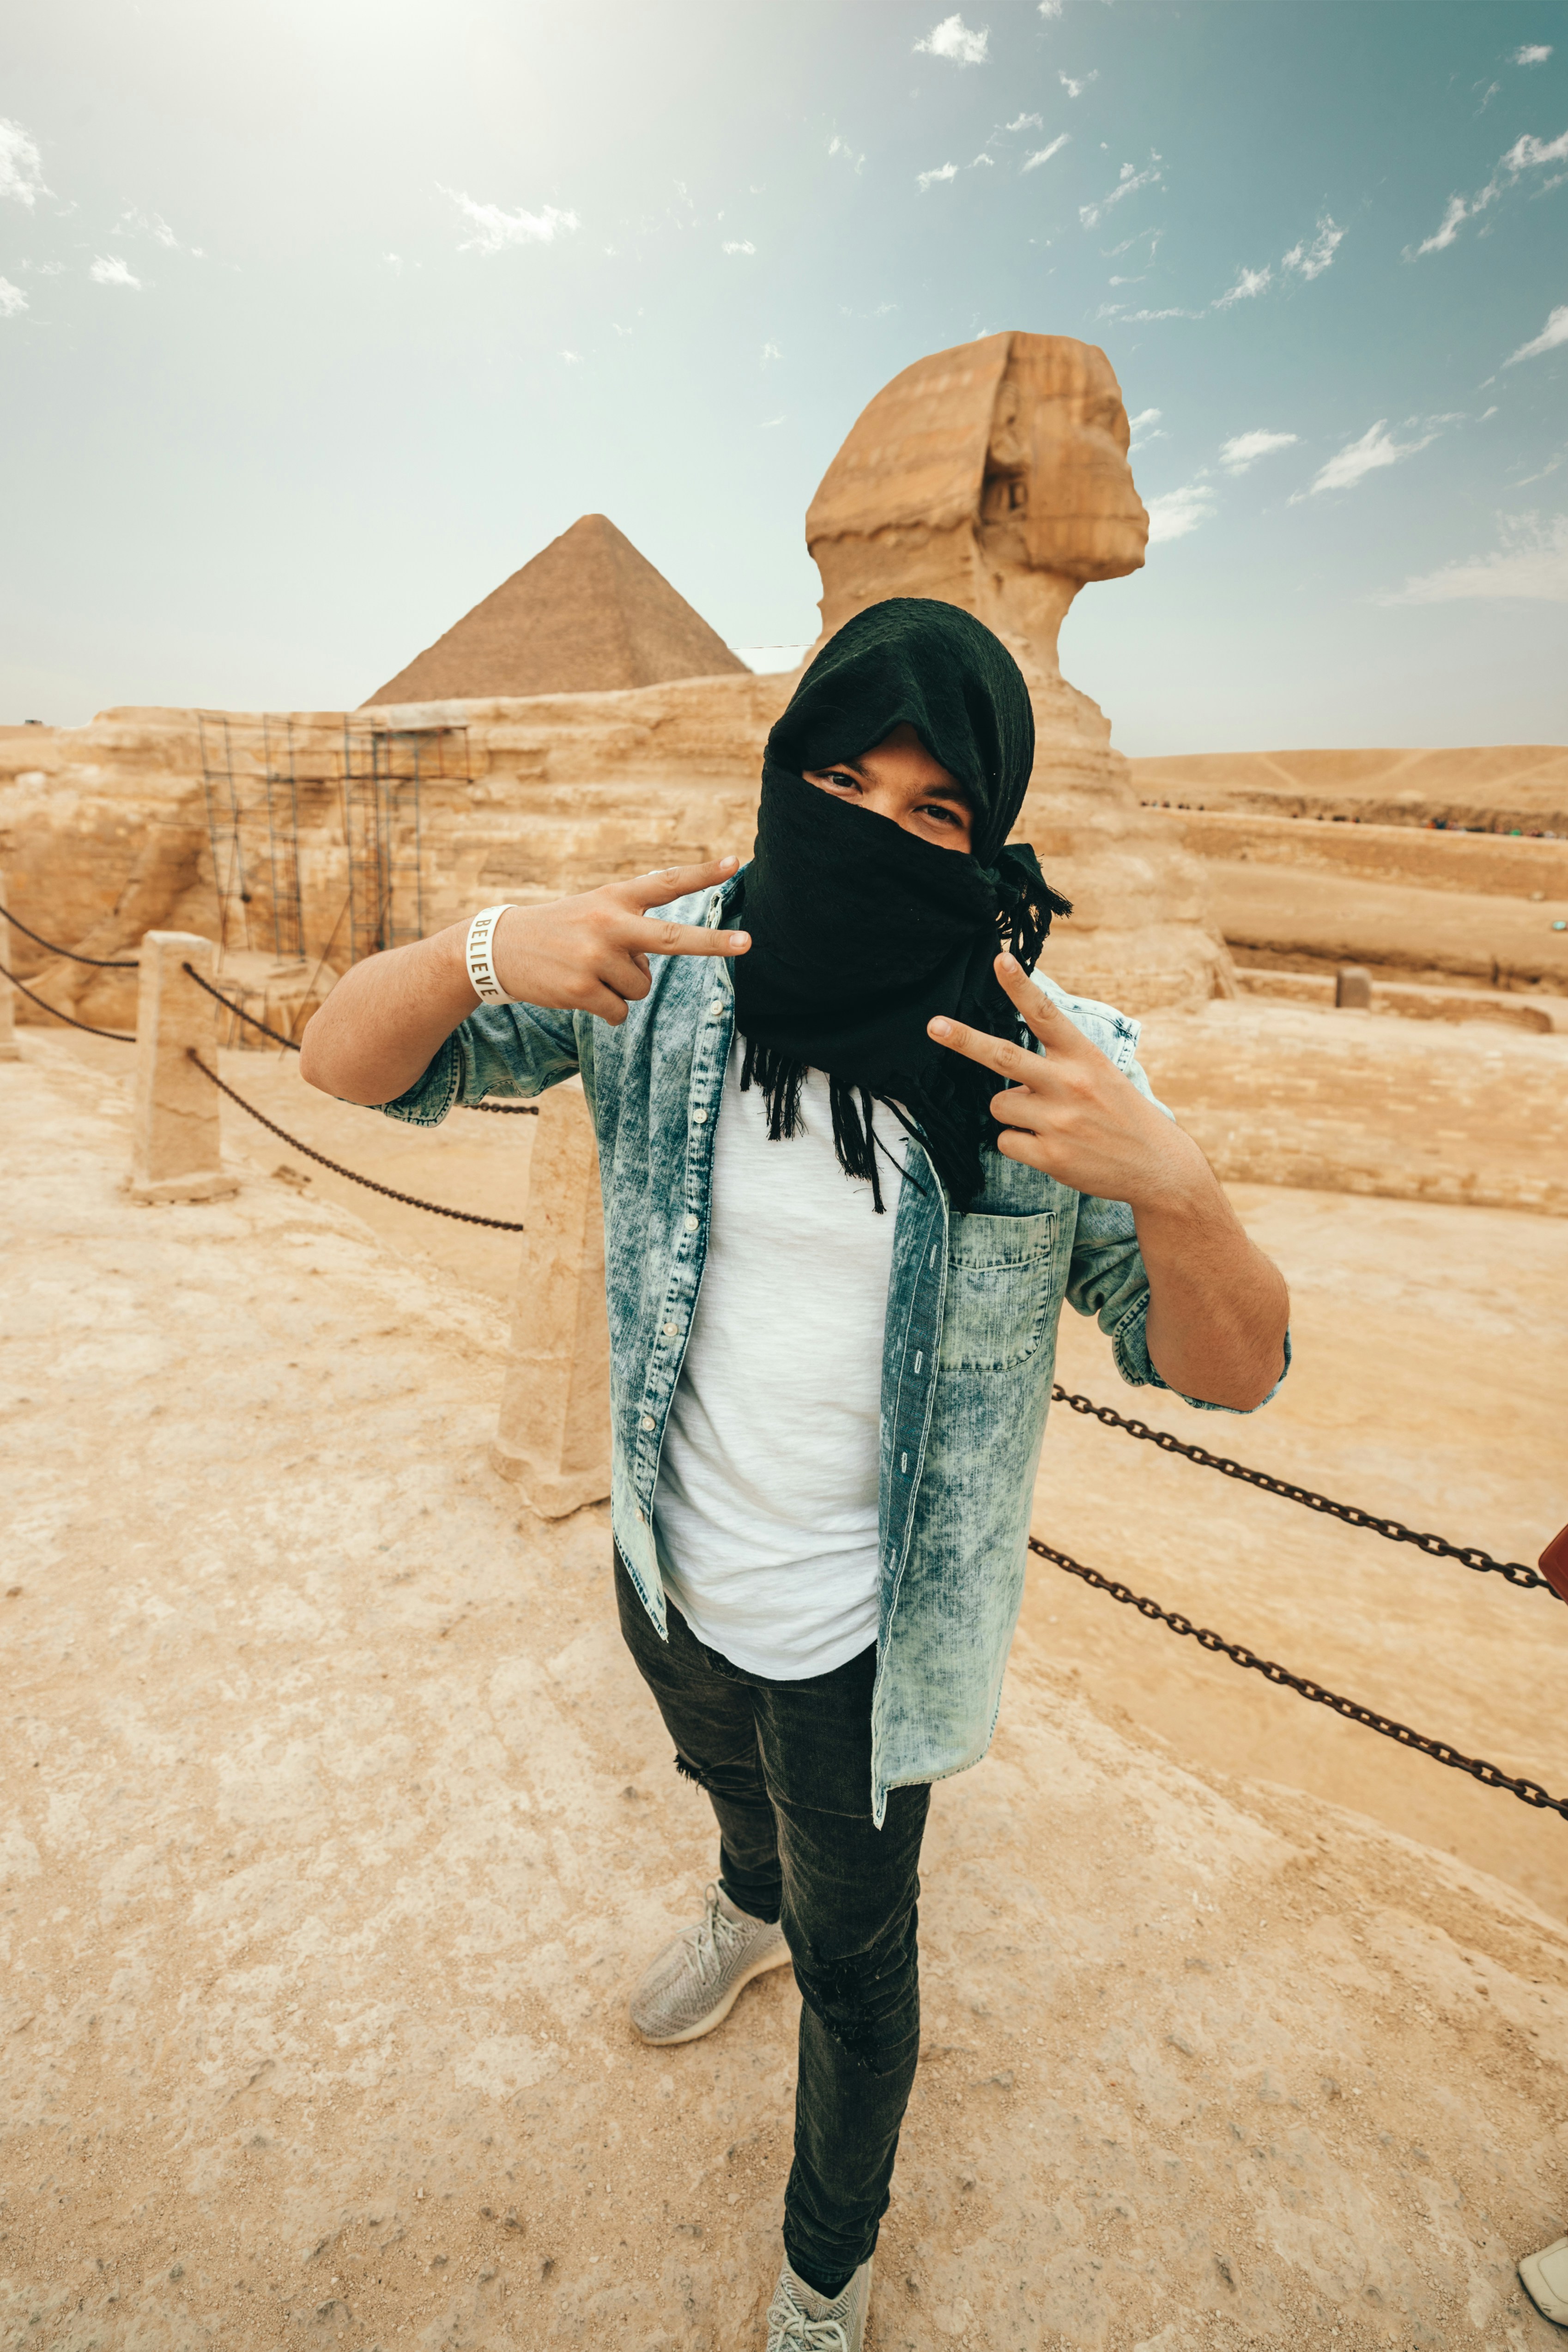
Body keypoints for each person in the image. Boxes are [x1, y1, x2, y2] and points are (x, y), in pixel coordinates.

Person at [301, 598, 1290, 2352]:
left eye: (931, 815)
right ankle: (737, 1896)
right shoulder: (670, 972)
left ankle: (825, 2269)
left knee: (863, 1973)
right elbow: (341, 1061)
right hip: (668, 1571)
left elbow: (1234, 1373)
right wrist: (478, 947)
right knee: (723, 1788)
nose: (872, 835)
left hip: (869, 1646)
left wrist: (1178, 1185)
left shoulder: (1056, 1064)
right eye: (839, 782)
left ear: (987, 838)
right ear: (781, 778)